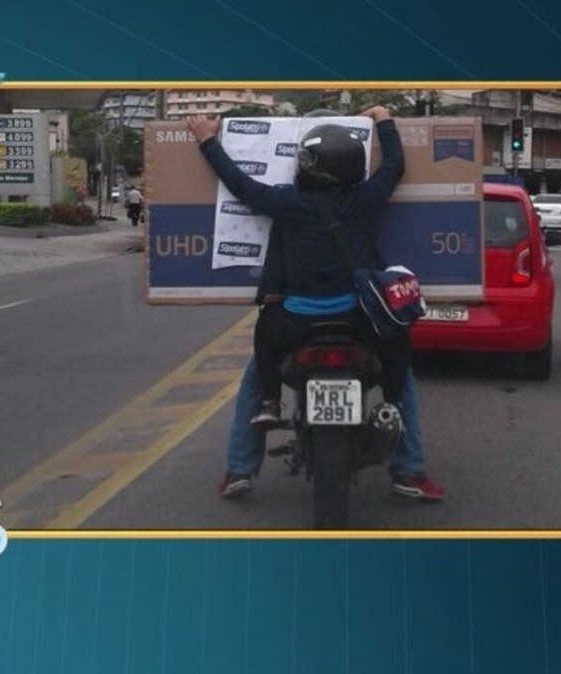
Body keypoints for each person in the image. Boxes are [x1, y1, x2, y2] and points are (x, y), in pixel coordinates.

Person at [185, 107, 446, 502]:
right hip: (359, 322)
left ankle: (243, 463)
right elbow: (394, 166)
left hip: (295, 325)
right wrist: (385, 120)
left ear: (308, 164)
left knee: (257, 372)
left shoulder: (287, 202)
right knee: (401, 370)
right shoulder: (365, 198)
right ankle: (407, 462)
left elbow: (239, 183)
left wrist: (207, 140)